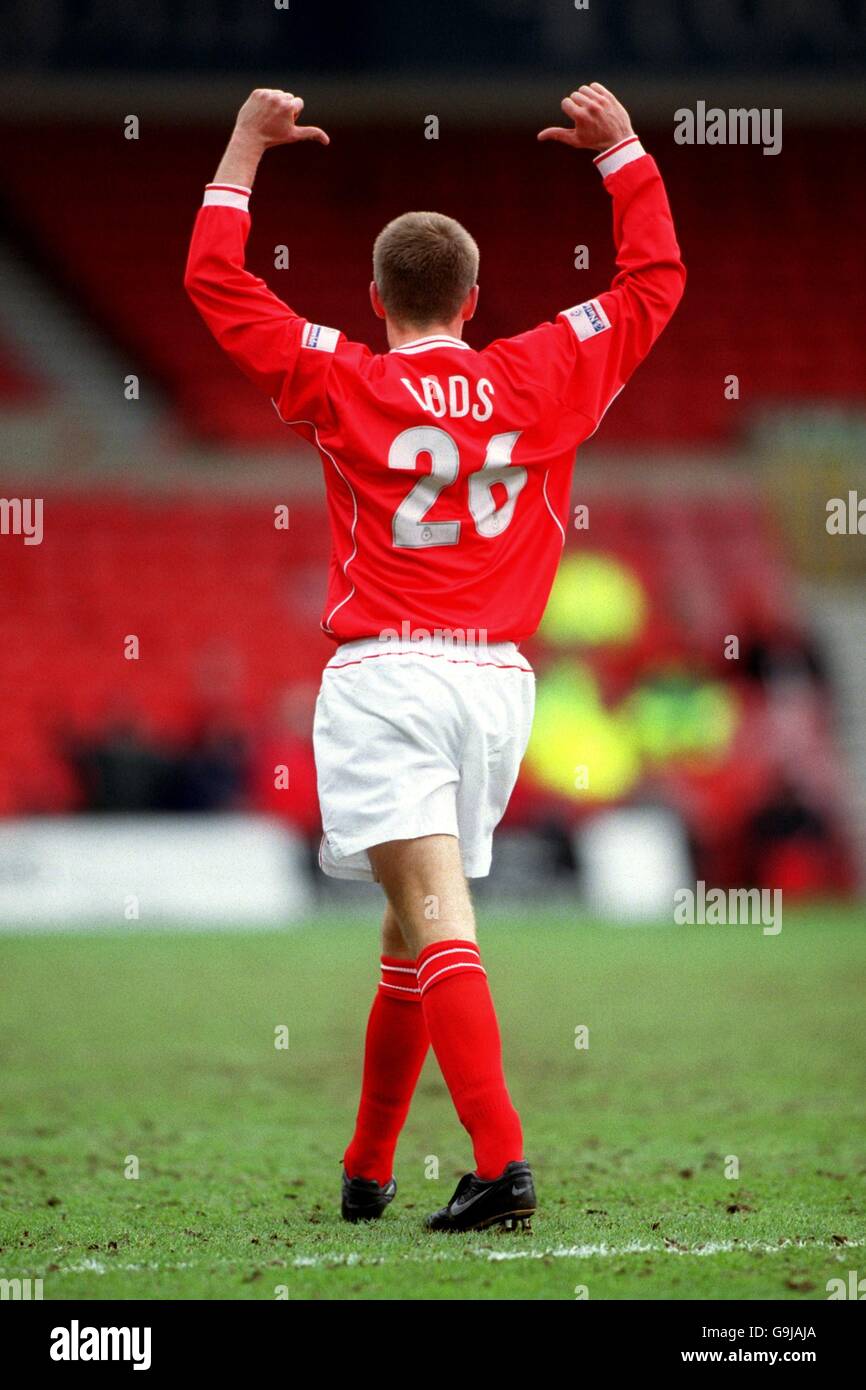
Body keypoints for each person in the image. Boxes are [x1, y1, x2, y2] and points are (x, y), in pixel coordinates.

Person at [185, 83, 685, 1231]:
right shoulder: (542, 368)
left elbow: (215, 283)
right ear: (474, 298)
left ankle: (500, 1164)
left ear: (372, 299)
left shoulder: (339, 374)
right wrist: (622, 158)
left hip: (391, 678)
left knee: (435, 916)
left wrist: (242, 150)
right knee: (408, 928)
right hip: (498, 687)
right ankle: (365, 1170)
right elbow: (652, 282)